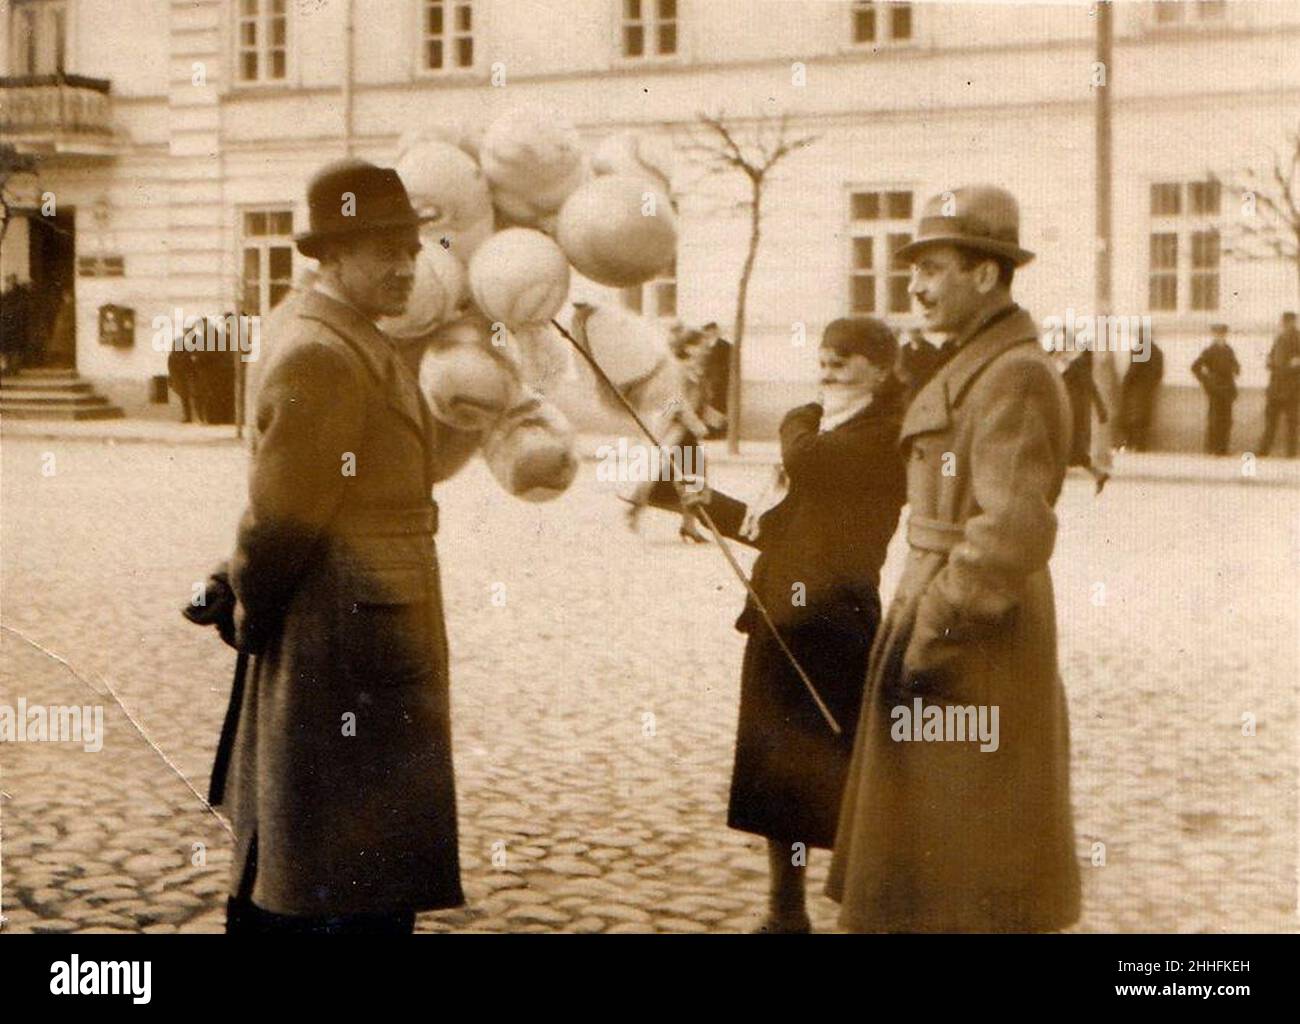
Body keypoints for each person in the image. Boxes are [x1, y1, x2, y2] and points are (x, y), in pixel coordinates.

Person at [192, 158, 484, 935]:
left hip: (369, 629)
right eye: (382, 248)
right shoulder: (322, 350)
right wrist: (251, 603)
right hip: (345, 640)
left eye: (411, 246)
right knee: (335, 866)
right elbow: (283, 516)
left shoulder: (355, 336)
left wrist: (470, 415)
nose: (406, 264)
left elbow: (389, 476)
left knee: (343, 857)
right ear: (331, 255)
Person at [828, 185, 1081, 933]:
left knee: (969, 844)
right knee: (934, 845)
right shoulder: (975, 364)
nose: (915, 284)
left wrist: (937, 625)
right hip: (943, 611)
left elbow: (1007, 532)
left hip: (978, 639)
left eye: (934, 267)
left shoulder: (1016, 375)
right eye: (915, 268)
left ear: (987, 275)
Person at [724, 317, 906, 933]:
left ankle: (867, 907)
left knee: (840, 769)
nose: (828, 370)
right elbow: (778, 528)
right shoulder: (828, 426)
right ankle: (784, 908)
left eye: (845, 361)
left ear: (882, 370)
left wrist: (795, 416)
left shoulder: (883, 433)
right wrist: (695, 500)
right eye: (824, 360)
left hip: (836, 623)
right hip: (781, 619)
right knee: (778, 775)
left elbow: (809, 459)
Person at [623, 326, 725, 542]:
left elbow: (700, 402)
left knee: (694, 478)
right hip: (676, 432)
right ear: (688, 348)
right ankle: (636, 508)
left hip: (688, 434)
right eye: (700, 346)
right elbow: (676, 402)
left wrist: (712, 416)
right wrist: (696, 423)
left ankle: (688, 526)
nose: (705, 350)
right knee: (664, 475)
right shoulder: (677, 370)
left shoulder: (699, 372)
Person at [1058, 348, 1110, 494]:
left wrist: (1101, 409)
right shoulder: (1071, 363)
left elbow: (1090, 386)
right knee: (1073, 452)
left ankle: (1099, 475)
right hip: (1071, 411)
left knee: (1069, 450)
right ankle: (1099, 475)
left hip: (1074, 413)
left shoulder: (1078, 363)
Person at [1191, 323, 1240, 456]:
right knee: (1215, 420)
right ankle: (1212, 449)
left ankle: (1223, 448)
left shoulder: (1229, 350)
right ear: (1214, 335)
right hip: (1215, 390)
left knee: (1227, 420)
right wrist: (1206, 381)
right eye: (1218, 334)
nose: (1221, 337)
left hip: (1228, 389)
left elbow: (1235, 364)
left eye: (1223, 334)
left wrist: (1236, 369)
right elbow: (1195, 367)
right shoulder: (1209, 351)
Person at [1257, 311, 1300, 458]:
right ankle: (1263, 452)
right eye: (1285, 322)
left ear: (1294, 322)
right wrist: (1269, 362)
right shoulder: (1279, 338)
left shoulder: (1298, 339)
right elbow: (1271, 358)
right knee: (1271, 423)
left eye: (1290, 322)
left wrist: (1297, 363)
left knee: (1292, 424)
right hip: (1275, 388)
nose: (1287, 325)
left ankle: (1291, 454)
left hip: (1292, 389)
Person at [1119, 331, 1163, 452]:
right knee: (1143, 418)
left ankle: (1132, 445)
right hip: (1149, 390)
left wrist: (1125, 384)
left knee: (1133, 418)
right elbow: (1159, 373)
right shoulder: (1157, 352)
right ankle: (1141, 446)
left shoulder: (1141, 348)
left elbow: (1134, 368)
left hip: (1136, 389)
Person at [700, 321, 733, 439]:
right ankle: (710, 431)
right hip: (708, 382)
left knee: (719, 406)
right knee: (709, 407)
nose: (707, 334)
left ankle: (718, 432)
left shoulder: (726, 346)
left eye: (709, 331)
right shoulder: (705, 346)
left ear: (714, 331)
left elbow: (728, 365)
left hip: (720, 382)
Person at [894, 327, 942, 400]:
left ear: (921, 334)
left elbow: (936, 365)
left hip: (926, 383)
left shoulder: (930, 348)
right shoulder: (904, 349)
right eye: (912, 333)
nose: (914, 335)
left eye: (917, 332)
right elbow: (900, 367)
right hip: (910, 385)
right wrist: (905, 377)